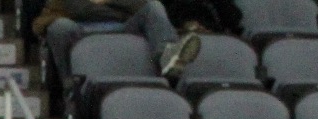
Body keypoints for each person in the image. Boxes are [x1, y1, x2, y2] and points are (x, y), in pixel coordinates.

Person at [35, 0, 200, 80]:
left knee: (154, 7)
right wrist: (119, 7)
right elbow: (79, 8)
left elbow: (141, 4)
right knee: (60, 27)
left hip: (124, 27)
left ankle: (167, 56)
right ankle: (71, 87)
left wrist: (104, 2)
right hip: (80, 30)